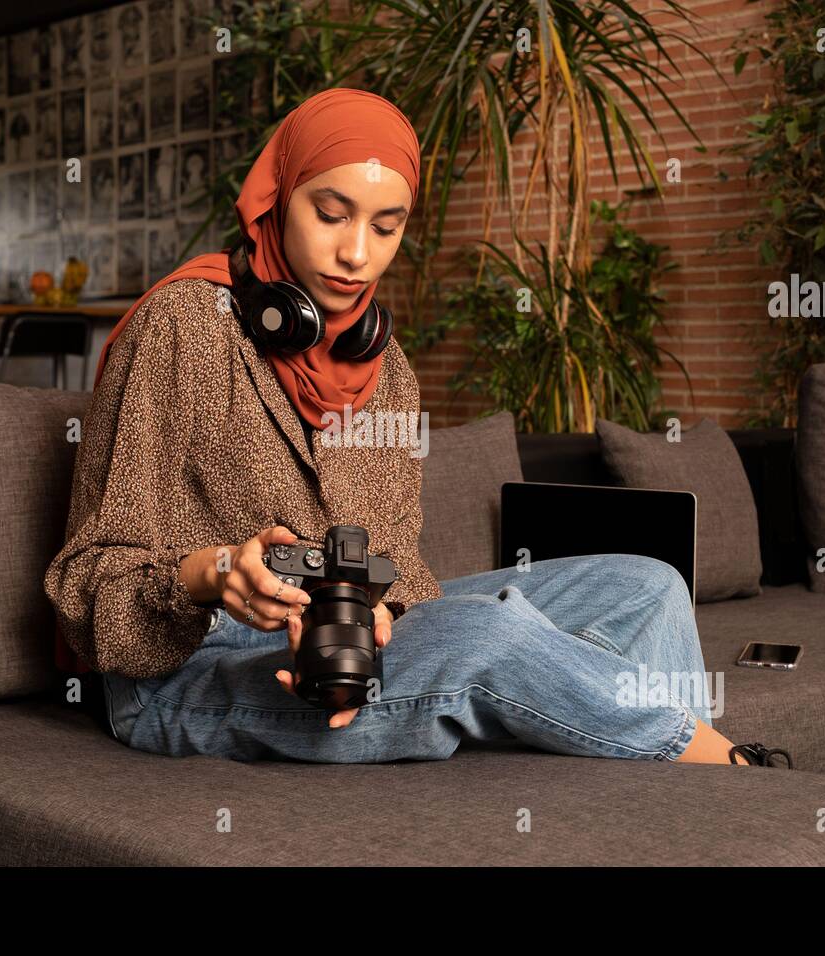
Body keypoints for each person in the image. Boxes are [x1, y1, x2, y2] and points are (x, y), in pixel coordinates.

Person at [43, 88, 786, 768]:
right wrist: (212, 577)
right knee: (489, 636)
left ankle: (666, 821)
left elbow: (402, 567)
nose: (357, 253)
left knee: (647, 587)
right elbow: (88, 588)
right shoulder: (182, 327)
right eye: (330, 214)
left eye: (385, 225)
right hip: (186, 670)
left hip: (345, 652)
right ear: (277, 200)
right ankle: (729, 774)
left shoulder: (386, 367)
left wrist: (379, 612)